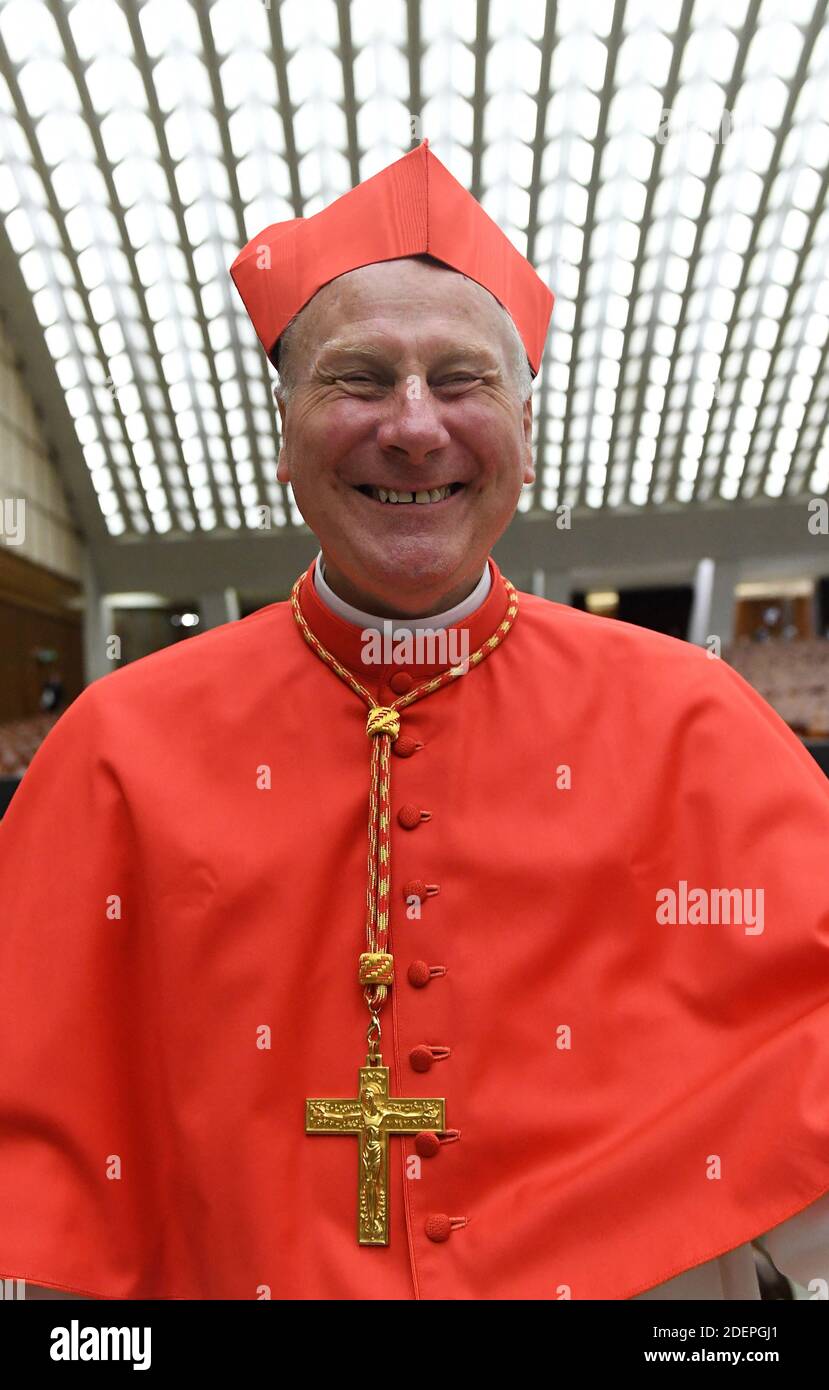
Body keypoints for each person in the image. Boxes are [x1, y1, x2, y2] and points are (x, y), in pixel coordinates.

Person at [0, 141, 827, 1301]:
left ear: (526, 434)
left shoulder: (694, 716)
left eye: (462, 380)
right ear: (283, 431)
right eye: (357, 378)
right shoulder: (114, 745)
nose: (414, 426)